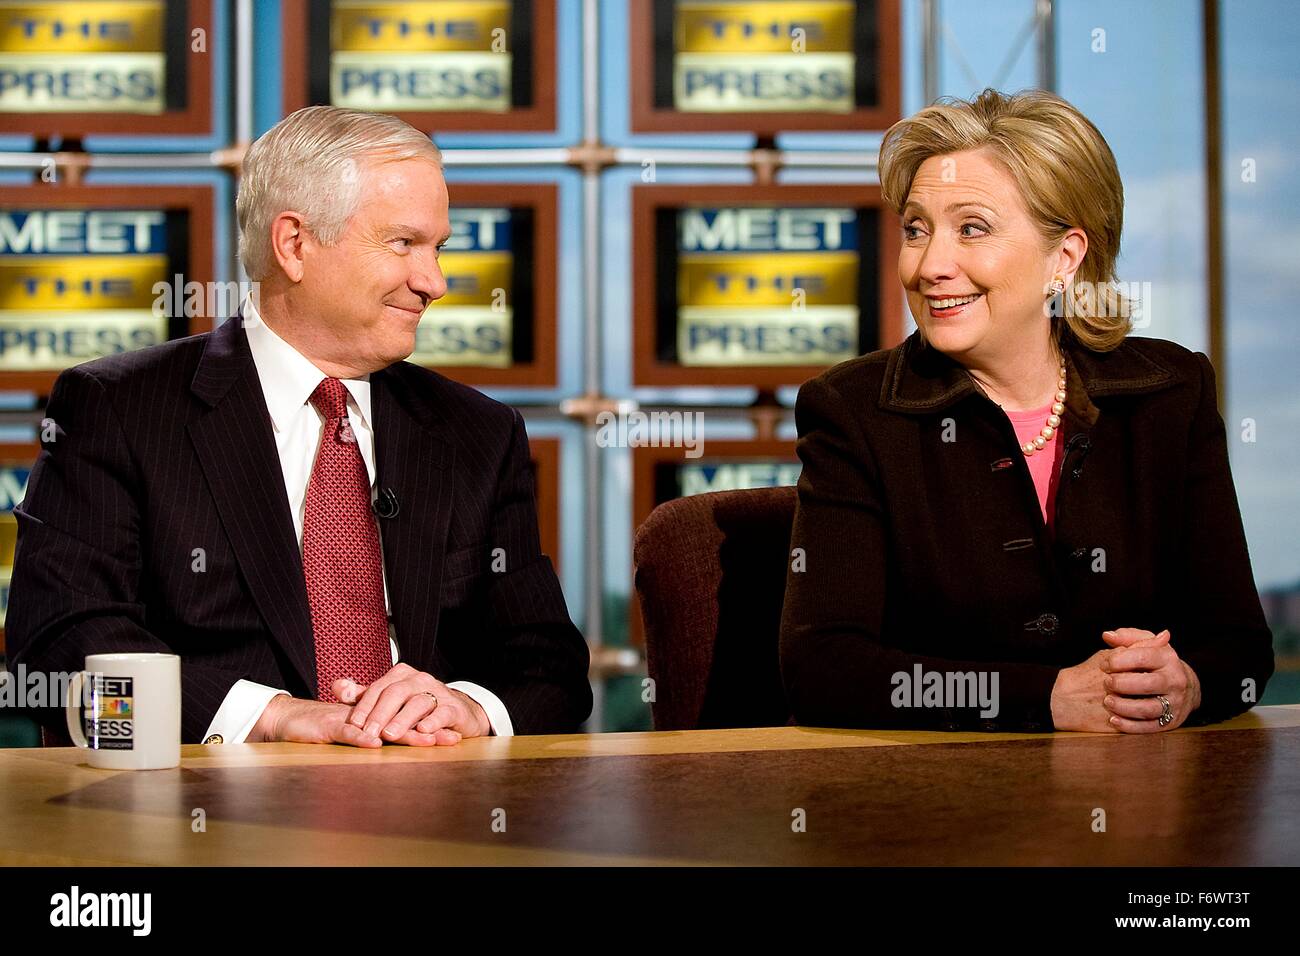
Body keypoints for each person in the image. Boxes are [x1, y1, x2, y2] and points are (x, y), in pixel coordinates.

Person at [7, 106, 592, 746]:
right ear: (294, 245)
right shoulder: (118, 409)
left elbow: (550, 667)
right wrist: (278, 717)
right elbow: (59, 644)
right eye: (403, 243)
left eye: (439, 248)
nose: (435, 282)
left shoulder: (478, 432)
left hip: (432, 812)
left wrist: (468, 707)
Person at [779, 89, 1273, 733]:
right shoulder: (855, 411)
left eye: (972, 229)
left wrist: (1187, 682)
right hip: (934, 813)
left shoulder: (1169, 392)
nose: (930, 266)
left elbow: (1240, 646)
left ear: (1064, 258)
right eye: (916, 230)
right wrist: (1046, 698)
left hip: (1143, 813)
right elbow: (821, 667)